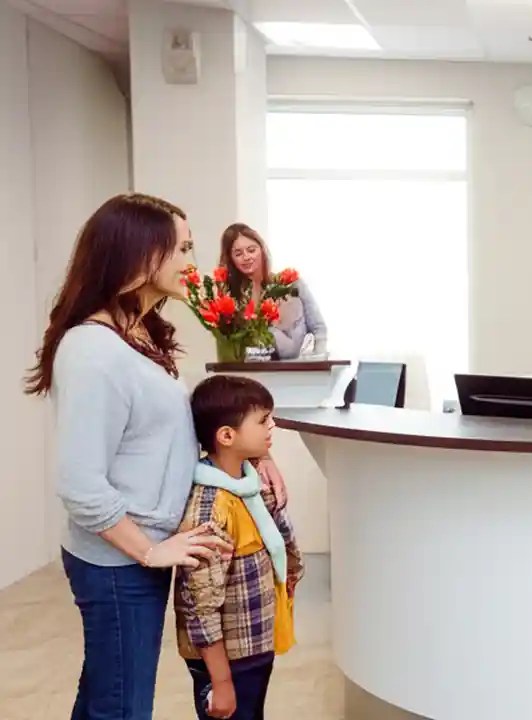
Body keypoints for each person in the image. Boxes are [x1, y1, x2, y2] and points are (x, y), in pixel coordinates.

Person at [24, 193, 234, 719]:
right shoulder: (94, 350)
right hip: (119, 561)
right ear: (141, 254)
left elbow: (165, 433)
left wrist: (248, 457)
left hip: (132, 552)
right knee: (122, 706)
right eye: (181, 249)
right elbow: (80, 484)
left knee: (105, 693)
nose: (193, 263)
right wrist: (149, 551)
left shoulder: (138, 334)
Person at [176, 375, 304, 720]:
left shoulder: (250, 483)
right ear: (227, 436)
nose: (272, 426)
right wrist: (221, 681)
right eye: (263, 420)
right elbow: (200, 606)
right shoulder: (211, 509)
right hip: (228, 659)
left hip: (253, 645)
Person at [220, 223, 327, 359]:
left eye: (251, 250)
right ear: (231, 259)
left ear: (262, 250)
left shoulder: (292, 284)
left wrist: (317, 363)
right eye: (238, 253)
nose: (246, 257)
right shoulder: (232, 299)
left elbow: (319, 329)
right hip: (254, 374)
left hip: (298, 372)